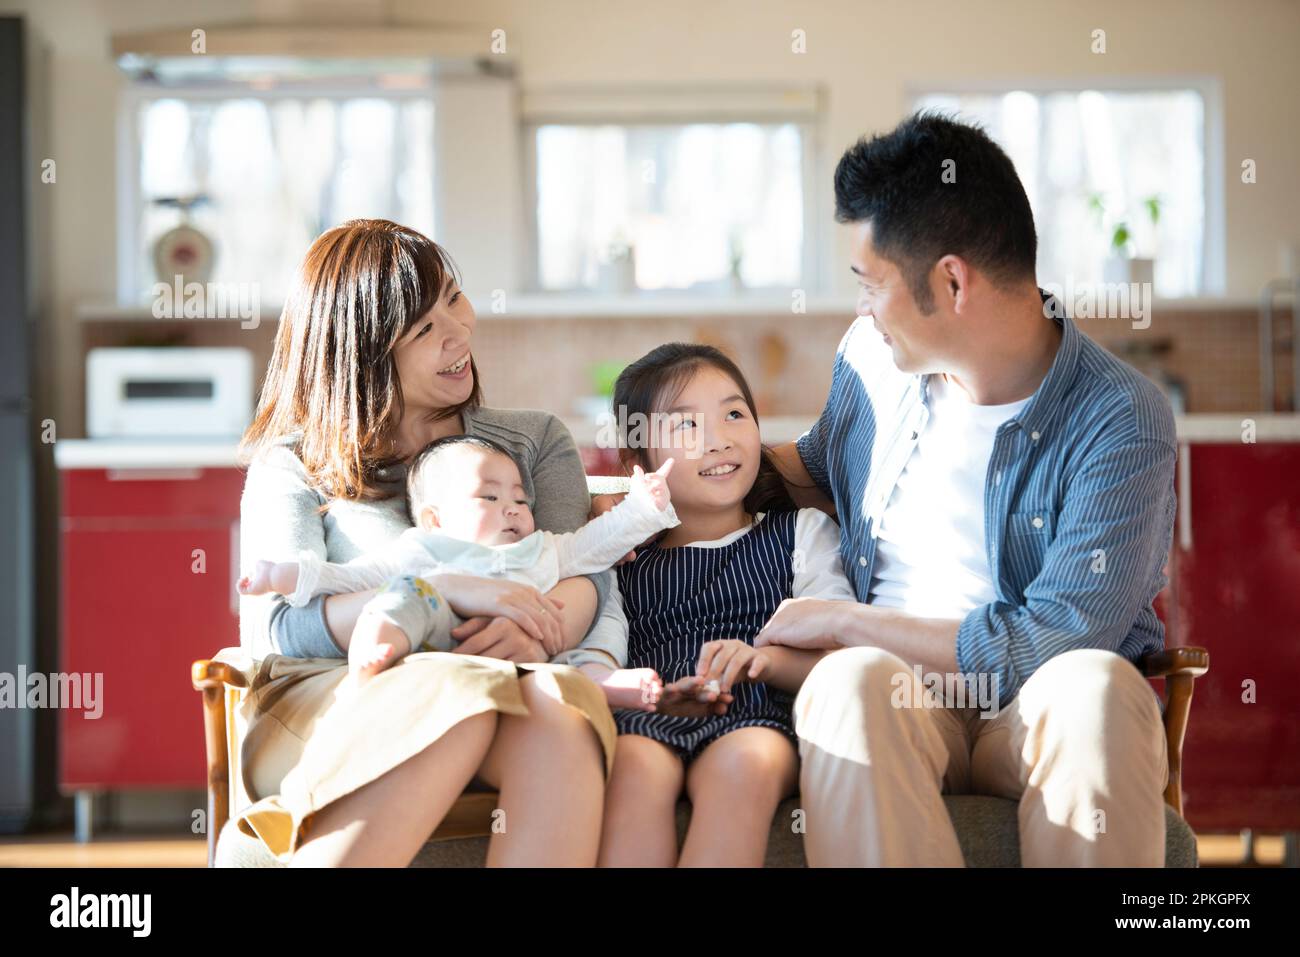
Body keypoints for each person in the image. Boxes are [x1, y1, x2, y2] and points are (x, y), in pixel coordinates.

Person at [761, 112, 1177, 866]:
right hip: (900, 700)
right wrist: (658, 487)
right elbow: (815, 468)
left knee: (1096, 688)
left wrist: (847, 620)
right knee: (850, 684)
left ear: (952, 280)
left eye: (870, 284)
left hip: (1034, 706)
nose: (860, 308)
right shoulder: (872, 359)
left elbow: (1054, 639)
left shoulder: (1120, 417)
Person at [235, 218, 618, 866]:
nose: (460, 330)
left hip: (509, 679)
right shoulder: (291, 465)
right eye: (424, 329)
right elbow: (274, 627)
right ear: (363, 352)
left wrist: (539, 629)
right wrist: (432, 591)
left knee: (562, 712)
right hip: (328, 694)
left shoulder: (533, 440)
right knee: (455, 698)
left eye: (454, 299)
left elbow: (585, 572)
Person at [596, 343, 857, 867]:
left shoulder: (801, 533)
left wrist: (764, 661)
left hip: (761, 718)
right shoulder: (618, 562)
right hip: (652, 714)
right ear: (636, 463)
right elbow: (598, 663)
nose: (718, 440)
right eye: (686, 426)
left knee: (744, 766)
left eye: (734, 413)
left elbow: (843, 656)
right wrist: (652, 696)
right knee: (632, 767)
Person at [240, 433, 677, 708]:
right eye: (488, 498)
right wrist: (284, 575)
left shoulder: (540, 550)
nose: (512, 508)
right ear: (436, 520)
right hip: (442, 643)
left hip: (531, 659)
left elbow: (595, 547)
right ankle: (382, 645)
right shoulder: (424, 550)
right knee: (406, 593)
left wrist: (643, 507)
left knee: (594, 633)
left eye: (521, 500)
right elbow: (353, 578)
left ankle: (597, 681)